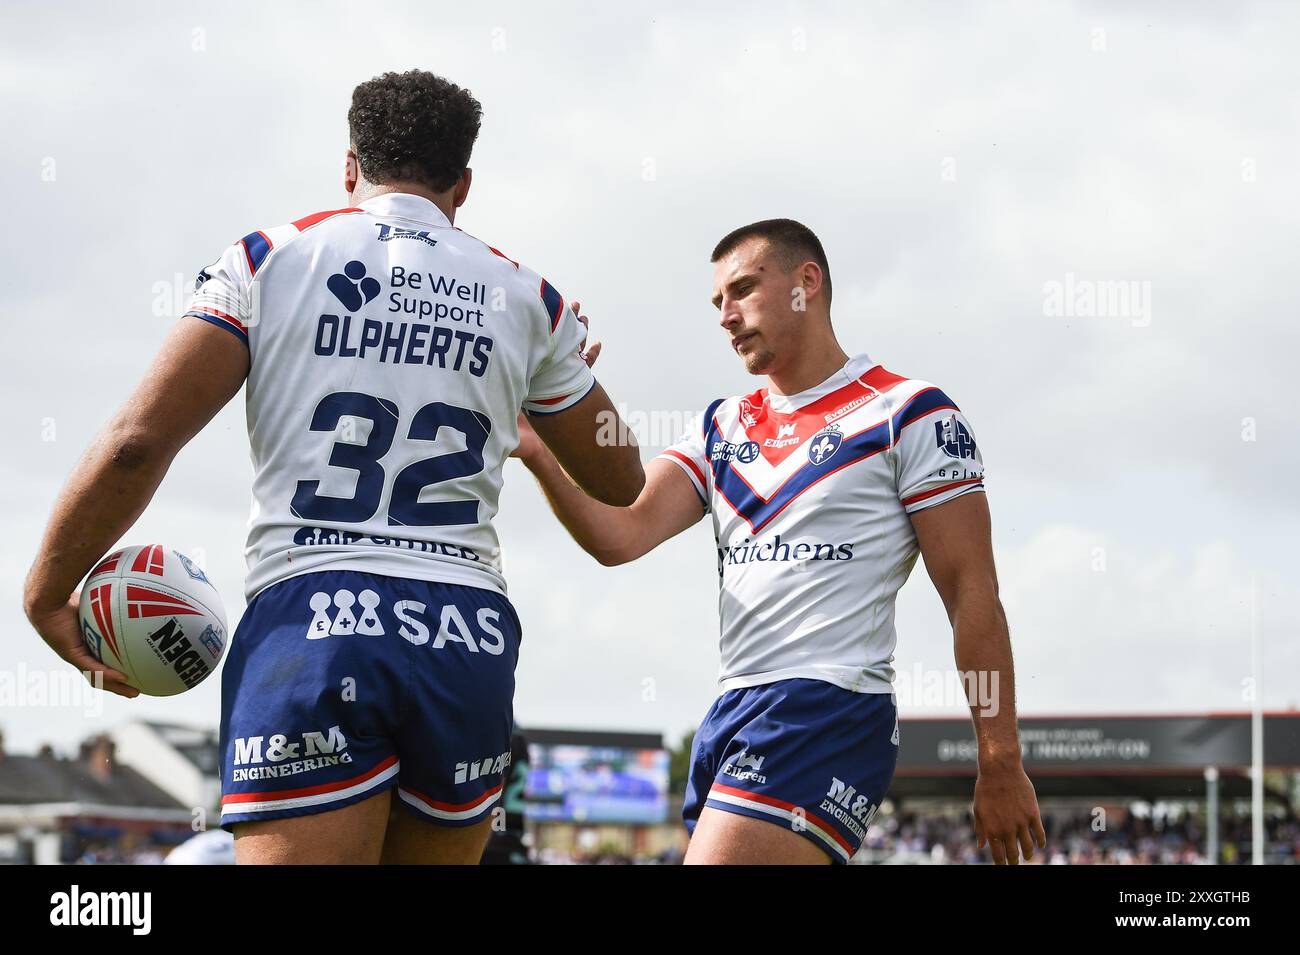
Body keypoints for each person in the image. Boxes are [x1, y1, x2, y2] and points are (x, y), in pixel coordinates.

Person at [23, 70, 644, 865]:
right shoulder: (530, 297)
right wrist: (559, 384)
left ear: (350, 166)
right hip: (465, 633)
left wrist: (45, 592)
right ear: (464, 184)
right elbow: (622, 481)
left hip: (313, 621)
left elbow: (136, 443)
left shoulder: (267, 259)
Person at [514, 218, 1045, 864]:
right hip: (731, 710)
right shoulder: (719, 426)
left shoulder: (908, 412)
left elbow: (972, 594)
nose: (725, 315)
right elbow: (621, 531)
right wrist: (542, 441)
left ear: (806, 283)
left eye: (741, 289)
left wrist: (999, 758)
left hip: (828, 708)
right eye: (716, 302)